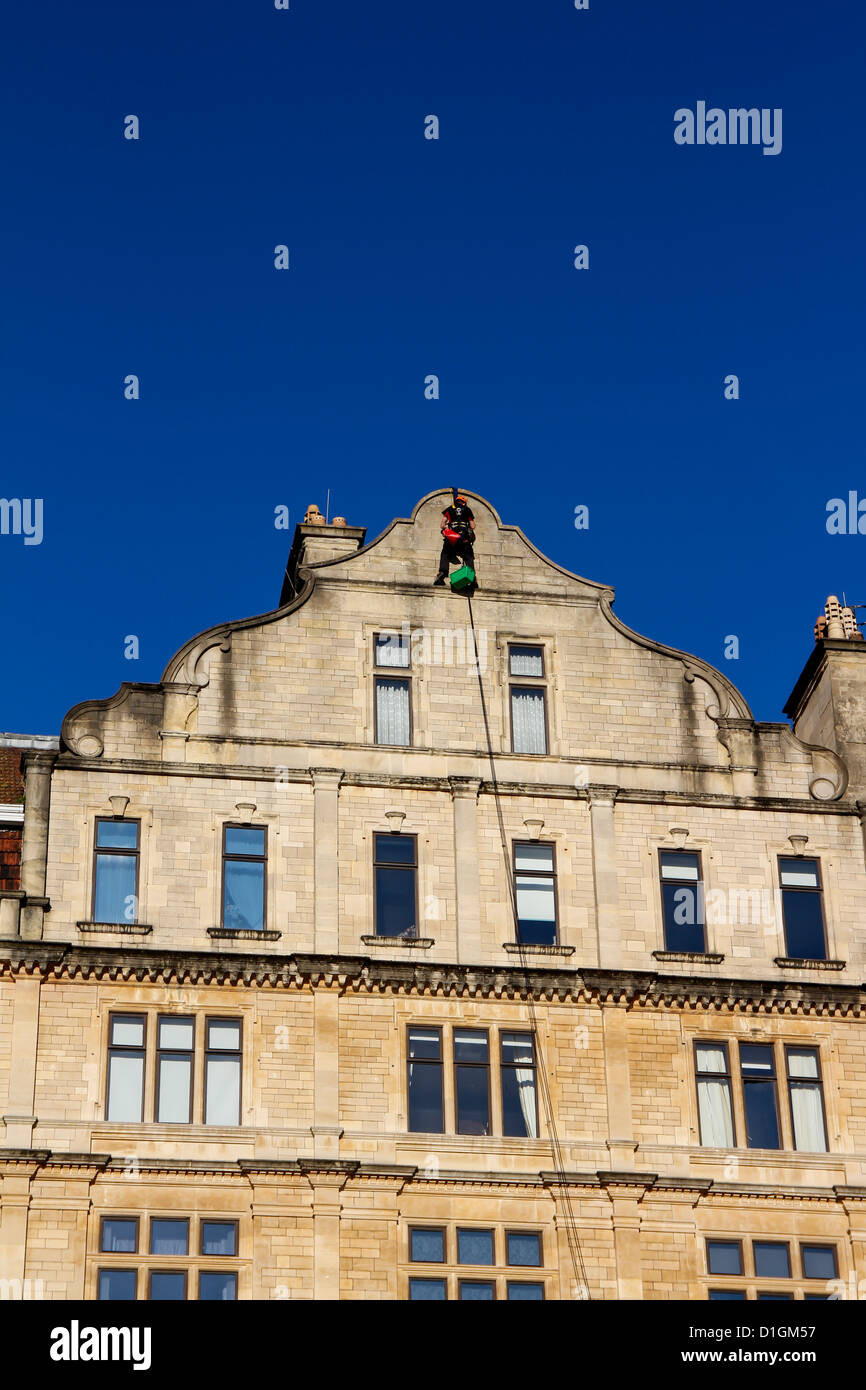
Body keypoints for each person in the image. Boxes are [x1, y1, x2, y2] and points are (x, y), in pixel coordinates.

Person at [434, 492, 476, 585]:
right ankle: (472, 577)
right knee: (468, 556)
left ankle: (442, 573)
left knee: (445, 553)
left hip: (452, 538)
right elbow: (473, 526)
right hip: (464, 538)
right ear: (464, 503)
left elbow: (442, 525)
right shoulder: (467, 509)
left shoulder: (449, 509)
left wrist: (447, 527)